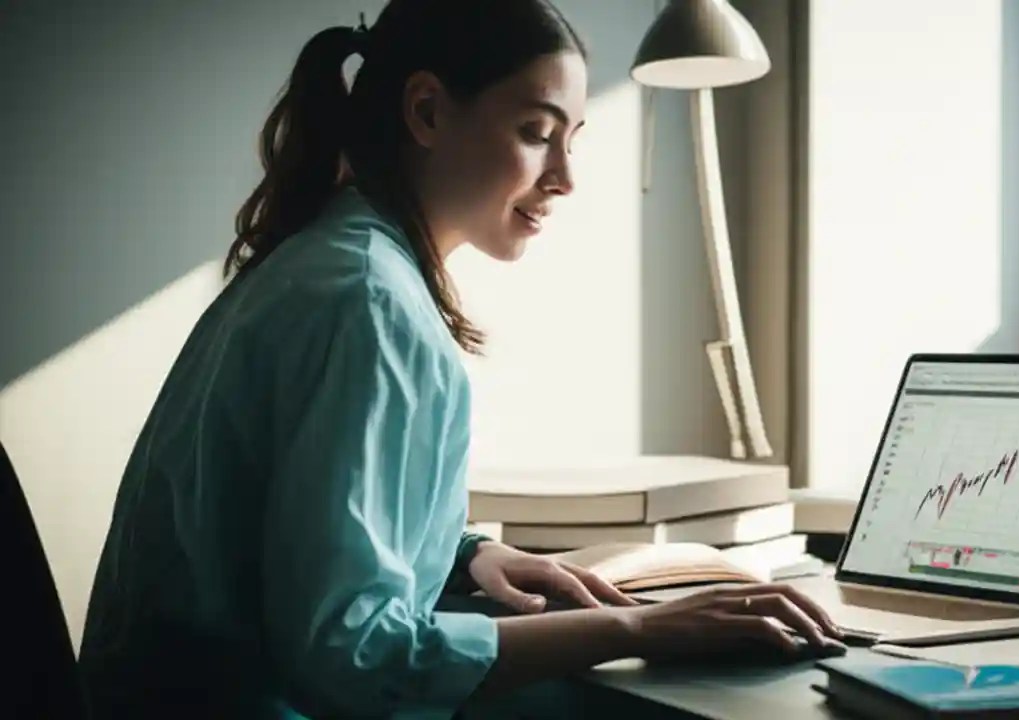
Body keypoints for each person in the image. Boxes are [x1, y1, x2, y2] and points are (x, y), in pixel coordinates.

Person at [77, 1, 844, 718]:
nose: (565, 178)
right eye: (537, 131)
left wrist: (465, 553)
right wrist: (638, 629)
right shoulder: (368, 304)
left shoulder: (323, 263)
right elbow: (350, 656)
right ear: (428, 111)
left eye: (571, 139)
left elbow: (290, 533)